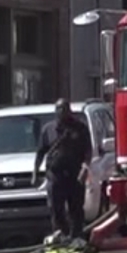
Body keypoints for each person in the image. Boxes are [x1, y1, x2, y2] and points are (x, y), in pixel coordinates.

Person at [34, 99, 94, 241]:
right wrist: (35, 173)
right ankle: (61, 237)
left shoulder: (80, 128)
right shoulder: (49, 129)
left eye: (65, 109)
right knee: (56, 209)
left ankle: (76, 238)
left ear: (69, 110)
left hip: (75, 175)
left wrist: (85, 168)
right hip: (55, 175)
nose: (62, 112)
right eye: (59, 109)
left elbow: (88, 151)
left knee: (76, 209)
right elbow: (40, 152)